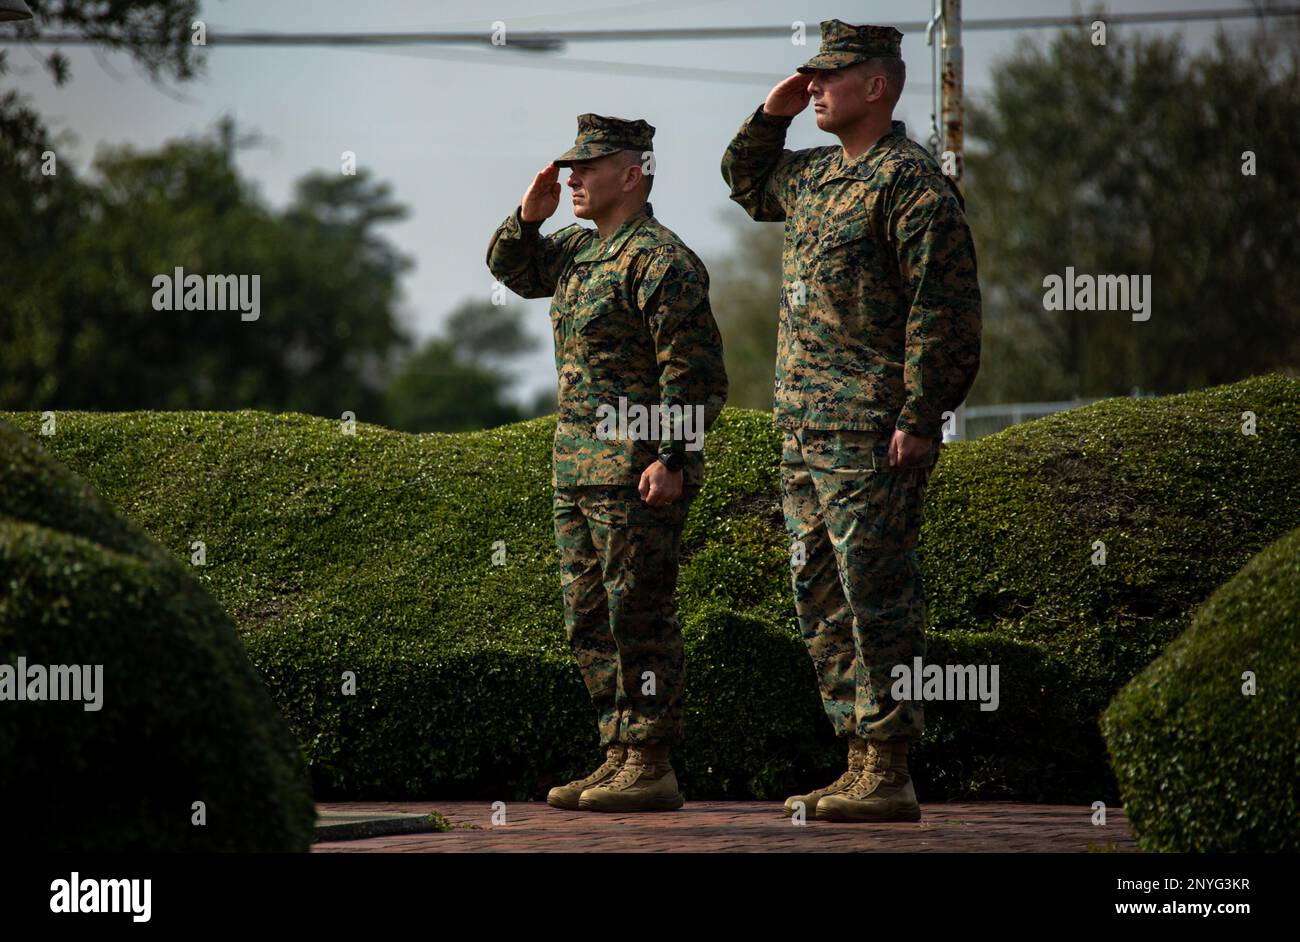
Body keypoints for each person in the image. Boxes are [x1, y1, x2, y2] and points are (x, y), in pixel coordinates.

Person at [721, 20, 981, 822]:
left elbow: (946, 312)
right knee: (819, 593)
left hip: (875, 429)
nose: (817, 88)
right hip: (804, 427)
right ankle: (858, 757)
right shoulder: (813, 178)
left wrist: (923, 413)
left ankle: (891, 764)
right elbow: (743, 178)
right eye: (812, 77)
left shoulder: (912, 184)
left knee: (877, 594)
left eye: (831, 77)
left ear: (878, 85)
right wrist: (773, 113)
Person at [487, 114, 727, 812]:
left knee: (638, 615)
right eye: (570, 166)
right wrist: (527, 221)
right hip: (576, 470)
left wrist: (672, 459)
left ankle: (651, 760)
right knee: (588, 618)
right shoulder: (573, 251)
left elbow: (698, 376)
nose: (572, 178)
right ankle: (616, 751)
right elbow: (511, 270)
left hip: (635, 475)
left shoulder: (660, 261)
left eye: (587, 167)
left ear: (632, 173)